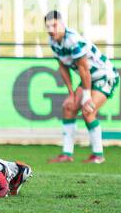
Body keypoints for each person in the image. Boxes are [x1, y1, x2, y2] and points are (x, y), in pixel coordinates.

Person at [45, 10, 116, 164]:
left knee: (87, 109)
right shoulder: (53, 41)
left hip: (104, 75)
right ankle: (67, 154)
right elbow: (63, 67)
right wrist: (71, 94)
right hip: (88, 79)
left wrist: (87, 97)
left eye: (55, 25)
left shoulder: (72, 40)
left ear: (63, 24)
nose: (51, 29)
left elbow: (84, 69)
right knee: (69, 108)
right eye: (48, 26)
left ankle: (98, 155)